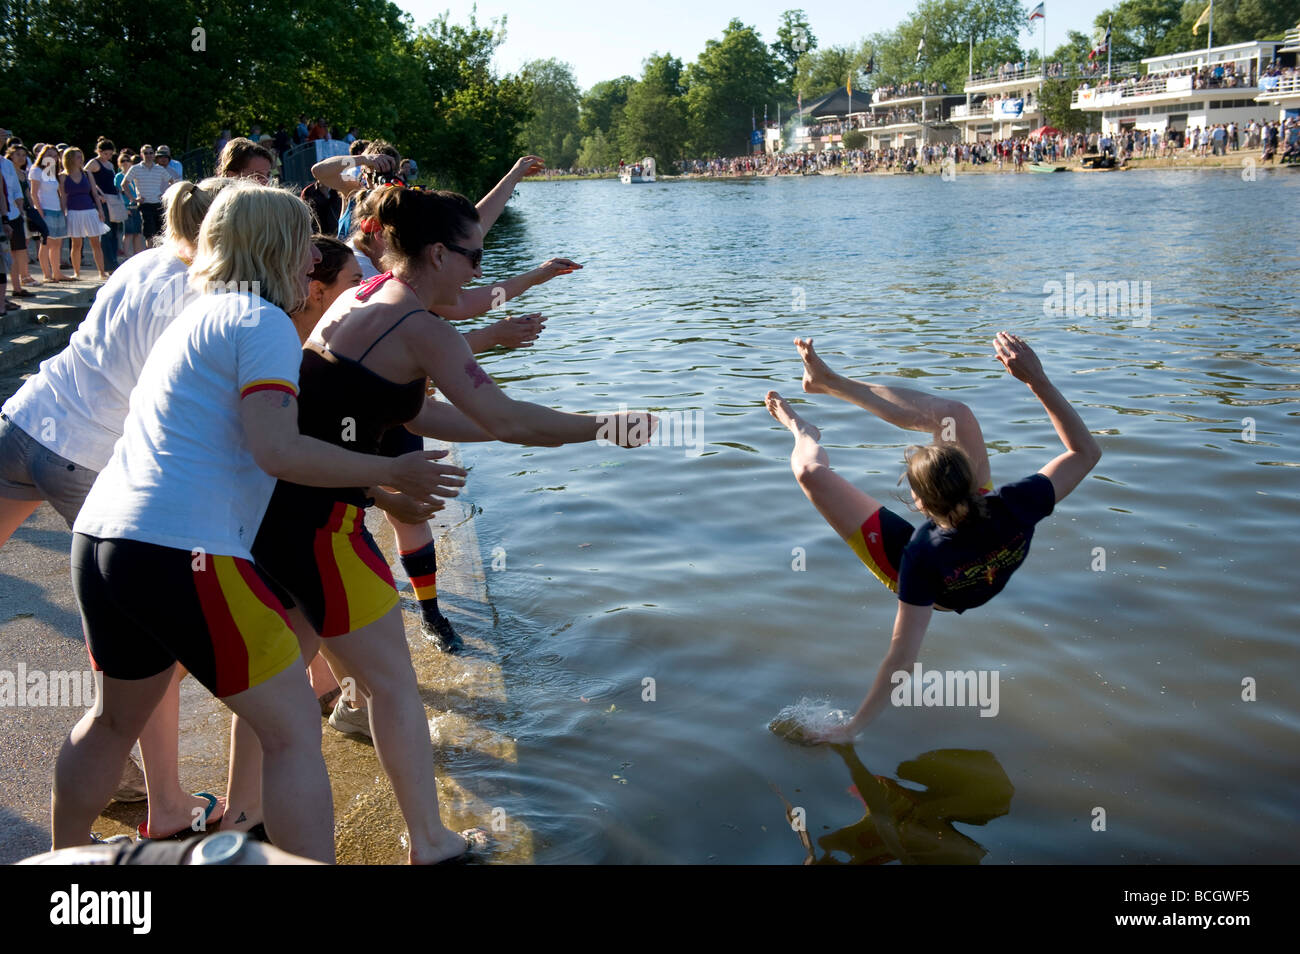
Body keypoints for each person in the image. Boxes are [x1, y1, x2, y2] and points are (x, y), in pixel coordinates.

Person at [241, 186, 655, 861]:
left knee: (286, 690)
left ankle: (248, 816)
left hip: (275, 513)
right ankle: (430, 843)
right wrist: (607, 427)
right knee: (396, 688)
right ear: (437, 253)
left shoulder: (359, 296)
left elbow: (410, 415)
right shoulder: (423, 330)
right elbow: (513, 418)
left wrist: (502, 431)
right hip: (321, 526)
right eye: (473, 256)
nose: (476, 272)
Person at [51, 182, 460, 863]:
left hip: (101, 540)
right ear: (278, 247)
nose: (311, 256)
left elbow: (247, 449)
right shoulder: (262, 321)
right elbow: (279, 449)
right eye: (303, 240)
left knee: (112, 720)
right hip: (179, 552)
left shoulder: (198, 312)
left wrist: (375, 489)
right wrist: (387, 473)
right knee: (294, 731)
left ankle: (66, 862)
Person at [1, 178, 244, 837]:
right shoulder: (201, 295)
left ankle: (129, 771)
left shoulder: (145, 259)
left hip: (25, 423)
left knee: (120, 637)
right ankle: (163, 803)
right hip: (89, 454)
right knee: (143, 642)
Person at [765, 334, 1101, 743]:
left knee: (810, 474)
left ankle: (803, 432)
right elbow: (1086, 453)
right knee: (957, 416)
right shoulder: (1016, 502)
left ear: (918, 503)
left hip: (942, 585)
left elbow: (902, 660)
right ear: (973, 480)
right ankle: (827, 381)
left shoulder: (920, 556)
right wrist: (1037, 381)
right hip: (972, 532)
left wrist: (851, 729)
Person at [58, 147, 110, 280]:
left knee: (95, 243)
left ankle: (101, 272)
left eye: (81, 156)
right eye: (77, 157)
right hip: (73, 211)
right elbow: (63, 196)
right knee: (76, 244)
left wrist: (100, 210)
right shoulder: (63, 176)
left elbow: (94, 193)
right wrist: (62, 213)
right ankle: (76, 272)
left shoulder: (87, 174)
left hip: (89, 210)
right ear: (70, 159)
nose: (81, 159)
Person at [121, 145, 178, 243]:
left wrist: (165, 195)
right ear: (141, 155)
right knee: (149, 235)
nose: (148, 155)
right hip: (145, 204)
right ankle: (151, 254)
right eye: (146, 153)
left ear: (154, 154)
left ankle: (160, 256)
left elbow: (172, 181)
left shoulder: (159, 169)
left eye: (151, 153)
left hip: (158, 204)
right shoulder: (135, 168)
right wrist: (133, 199)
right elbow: (124, 184)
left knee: (161, 234)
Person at [29, 144, 67, 281]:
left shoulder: (51, 171)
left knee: (57, 243)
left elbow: (56, 192)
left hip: (56, 209)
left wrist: (63, 210)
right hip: (45, 210)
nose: (52, 158)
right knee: (46, 243)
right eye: (49, 155)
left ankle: (57, 272)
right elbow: (33, 193)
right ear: (42, 155)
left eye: (55, 155)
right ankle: (47, 274)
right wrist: (40, 212)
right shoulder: (36, 170)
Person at [84, 139, 123, 272]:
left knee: (114, 232)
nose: (108, 156)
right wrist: (97, 195)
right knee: (106, 232)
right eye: (105, 153)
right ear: (99, 151)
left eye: (110, 154)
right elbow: (85, 179)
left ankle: (113, 260)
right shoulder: (94, 163)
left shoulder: (110, 165)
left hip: (113, 201)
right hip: (102, 202)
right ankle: (108, 264)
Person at [115, 153, 145, 258]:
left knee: (137, 233)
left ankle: (137, 255)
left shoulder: (134, 175)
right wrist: (123, 208)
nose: (125, 162)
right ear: (119, 163)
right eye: (122, 160)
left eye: (127, 160)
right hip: (126, 206)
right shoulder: (119, 177)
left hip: (136, 206)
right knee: (128, 233)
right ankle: (127, 256)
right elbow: (118, 193)